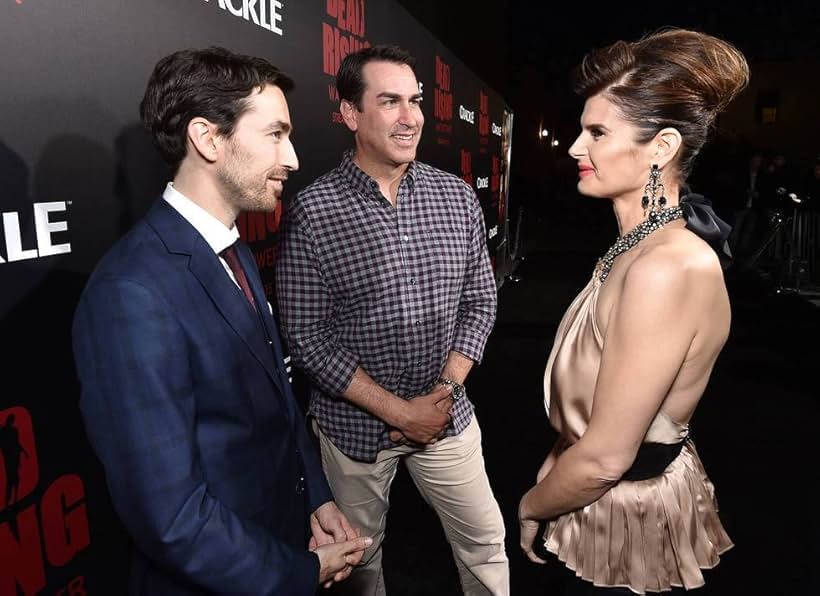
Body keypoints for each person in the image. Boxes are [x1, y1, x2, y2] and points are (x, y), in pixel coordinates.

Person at [72, 47, 370, 595]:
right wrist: (300, 572)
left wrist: (317, 497)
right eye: (275, 134)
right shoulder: (131, 293)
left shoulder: (230, 249)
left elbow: (278, 397)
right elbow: (171, 518)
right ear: (208, 138)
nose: (295, 158)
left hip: (278, 540)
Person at [517, 29, 748, 594]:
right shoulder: (636, 246)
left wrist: (528, 504)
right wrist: (557, 461)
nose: (575, 147)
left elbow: (603, 460)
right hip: (593, 495)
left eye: (596, 132)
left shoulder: (666, 268)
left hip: (627, 518)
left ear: (662, 148)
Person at [275, 45, 509, 595]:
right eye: (390, 102)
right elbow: (307, 339)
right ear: (352, 115)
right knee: (359, 560)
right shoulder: (315, 211)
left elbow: (480, 302)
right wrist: (399, 411)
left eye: (416, 101)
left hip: (447, 419)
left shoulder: (456, 197)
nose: (411, 117)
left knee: (486, 543)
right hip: (353, 432)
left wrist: (443, 393)